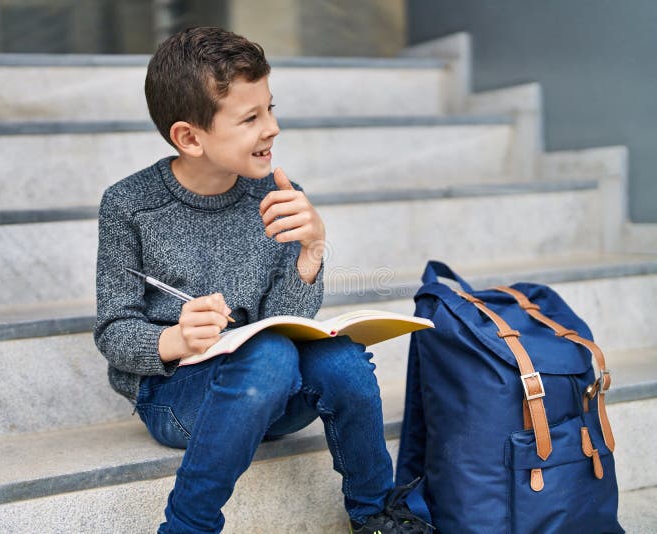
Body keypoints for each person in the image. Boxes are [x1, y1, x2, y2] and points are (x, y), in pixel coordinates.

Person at [94, 26, 432, 534]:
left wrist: (310, 253)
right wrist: (176, 338)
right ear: (189, 137)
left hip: (270, 390)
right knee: (271, 357)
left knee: (338, 358)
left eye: (270, 108)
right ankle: (187, 525)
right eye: (250, 118)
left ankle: (377, 513)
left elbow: (286, 323)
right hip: (177, 397)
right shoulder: (129, 206)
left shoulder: (277, 195)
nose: (271, 128)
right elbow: (114, 332)